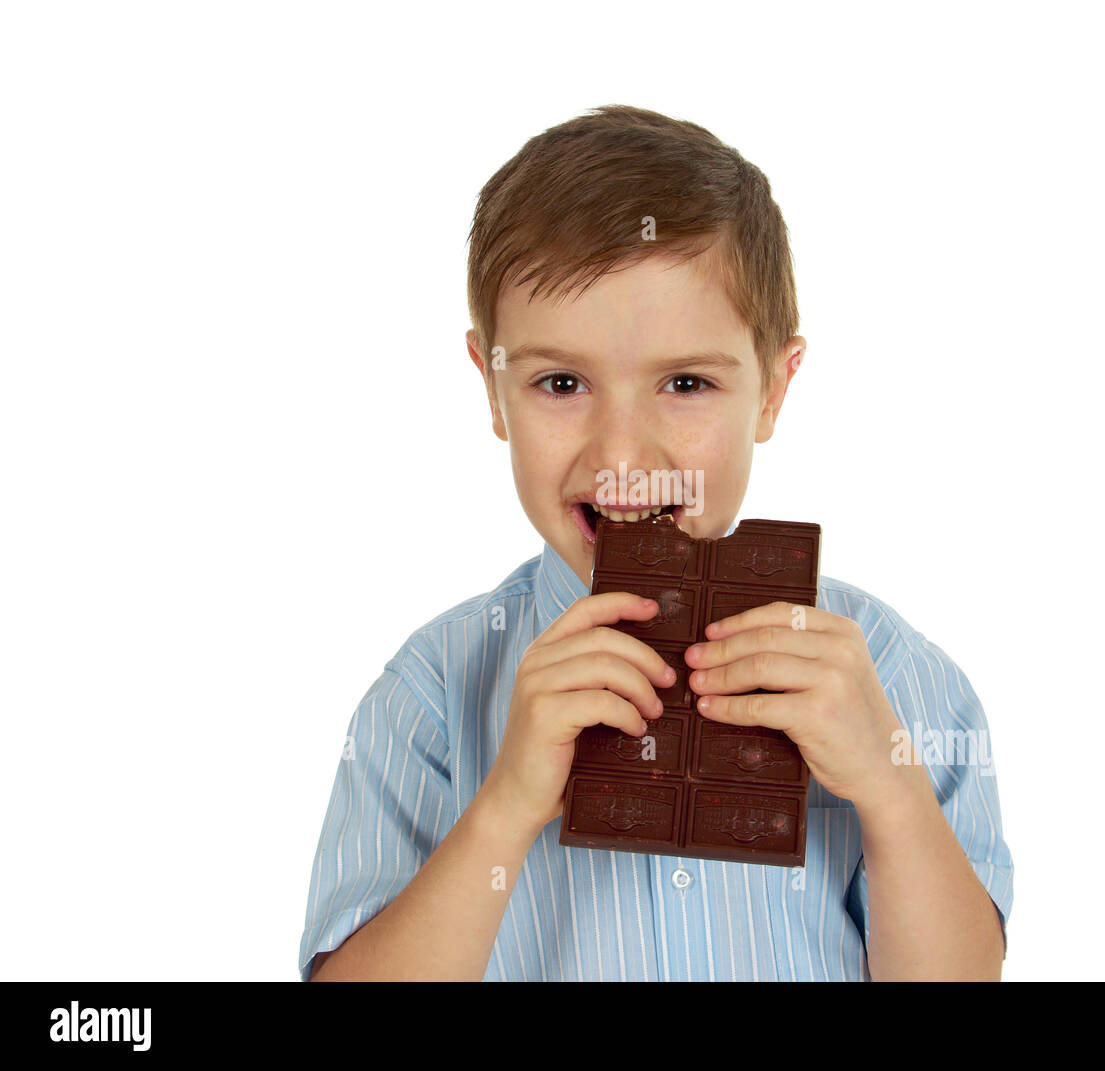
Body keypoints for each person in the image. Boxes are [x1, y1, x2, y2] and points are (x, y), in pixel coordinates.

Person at [299, 104, 1013, 982]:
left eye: (686, 381)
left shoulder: (894, 677)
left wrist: (889, 790)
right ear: (491, 389)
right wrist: (506, 807)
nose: (623, 456)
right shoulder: (433, 694)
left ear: (772, 394)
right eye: (561, 382)